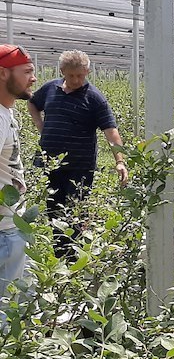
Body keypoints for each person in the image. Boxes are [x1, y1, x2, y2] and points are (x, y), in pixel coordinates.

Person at [27, 50, 128, 237]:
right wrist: (41, 125)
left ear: (87, 72)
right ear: (62, 71)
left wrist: (119, 161)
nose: (75, 80)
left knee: (76, 210)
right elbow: (32, 103)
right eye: (71, 75)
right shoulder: (50, 88)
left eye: (80, 75)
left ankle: (74, 255)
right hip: (50, 163)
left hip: (80, 166)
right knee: (54, 209)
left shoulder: (94, 98)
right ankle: (59, 252)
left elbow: (110, 130)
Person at [0, 45, 36, 295]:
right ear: (3, 73)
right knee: (7, 313)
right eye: (27, 71)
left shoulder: (7, 112)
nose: (33, 78)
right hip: (4, 232)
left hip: (12, 227)